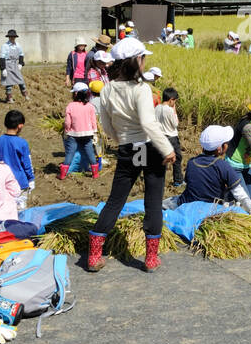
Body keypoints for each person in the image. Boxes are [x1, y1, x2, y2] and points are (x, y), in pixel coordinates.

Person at [86, 37, 176, 273]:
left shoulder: (107, 90)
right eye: (143, 58)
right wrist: (167, 149)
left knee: (116, 200)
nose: (144, 62)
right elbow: (148, 123)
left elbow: (106, 126)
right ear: (136, 61)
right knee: (153, 201)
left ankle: (94, 256)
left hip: (130, 149)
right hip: (149, 148)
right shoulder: (141, 89)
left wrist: (123, 142)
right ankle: (151, 259)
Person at [180, 125, 251, 213]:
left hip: (189, 205)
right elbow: (239, 194)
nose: (228, 145)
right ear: (220, 148)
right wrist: (250, 210)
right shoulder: (223, 166)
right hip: (210, 209)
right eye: (227, 143)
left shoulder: (191, 162)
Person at [0, 110, 35, 211]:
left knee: (4, 210)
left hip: (2, 182)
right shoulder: (22, 143)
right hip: (19, 182)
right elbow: (27, 164)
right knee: (20, 211)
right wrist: (30, 179)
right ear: (20, 126)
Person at [61, 83, 99, 179]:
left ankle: (62, 174)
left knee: (70, 153)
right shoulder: (90, 106)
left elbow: (67, 122)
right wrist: (95, 132)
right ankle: (95, 174)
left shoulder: (70, 106)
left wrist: (66, 131)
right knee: (90, 152)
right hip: (87, 134)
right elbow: (93, 121)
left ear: (76, 93)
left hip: (73, 134)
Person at [156, 87, 183, 187]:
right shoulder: (169, 110)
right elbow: (176, 124)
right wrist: (174, 110)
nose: (174, 103)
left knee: (161, 160)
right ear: (171, 99)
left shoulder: (157, 108)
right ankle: (178, 181)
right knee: (177, 159)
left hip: (160, 137)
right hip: (172, 137)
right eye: (175, 101)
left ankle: (159, 181)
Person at [0, 29, 28, 102]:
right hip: (7, 65)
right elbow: (2, 57)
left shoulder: (18, 45)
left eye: (13, 37)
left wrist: (20, 63)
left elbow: (21, 54)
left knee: (21, 81)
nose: (12, 38)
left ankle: (26, 96)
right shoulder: (5, 46)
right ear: (8, 37)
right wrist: (3, 69)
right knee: (9, 83)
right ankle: (9, 98)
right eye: (11, 37)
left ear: (15, 37)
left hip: (15, 65)